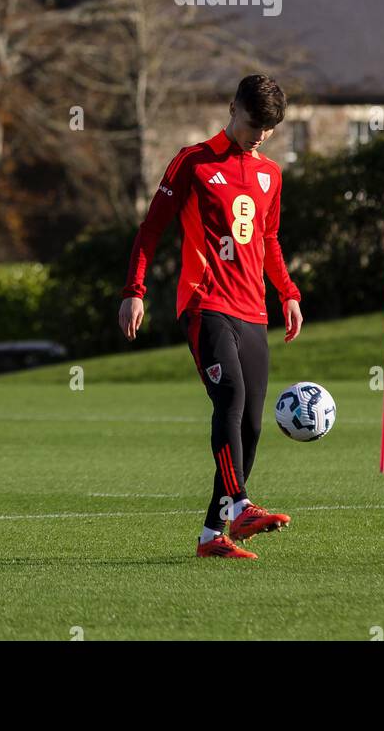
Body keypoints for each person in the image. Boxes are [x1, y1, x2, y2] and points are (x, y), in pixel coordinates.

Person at [119, 73, 303, 559]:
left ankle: (210, 536)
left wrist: (287, 292)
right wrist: (134, 291)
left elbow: (268, 240)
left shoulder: (270, 175)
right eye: (254, 121)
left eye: (270, 127)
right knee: (231, 397)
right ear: (233, 108)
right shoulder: (193, 162)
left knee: (253, 427)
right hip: (204, 304)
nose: (261, 133)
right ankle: (240, 505)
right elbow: (151, 229)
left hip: (252, 310)